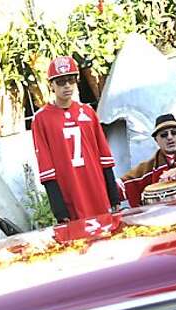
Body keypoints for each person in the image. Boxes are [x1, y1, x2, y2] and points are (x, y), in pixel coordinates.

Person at [31, 55, 121, 223]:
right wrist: (59, 210)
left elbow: (105, 158)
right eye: (61, 81)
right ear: (51, 85)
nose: (67, 86)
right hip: (70, 192)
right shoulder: (41, 119)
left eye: (71, 80)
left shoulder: (88, 112)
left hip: (96, 188)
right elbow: (46, 169)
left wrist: (113, 197)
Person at [120, 114, 176, 208]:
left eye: (174, 132)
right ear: (156, 140)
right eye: (164, 135)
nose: (170, 137)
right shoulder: (149, 167)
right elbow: (120, 186)